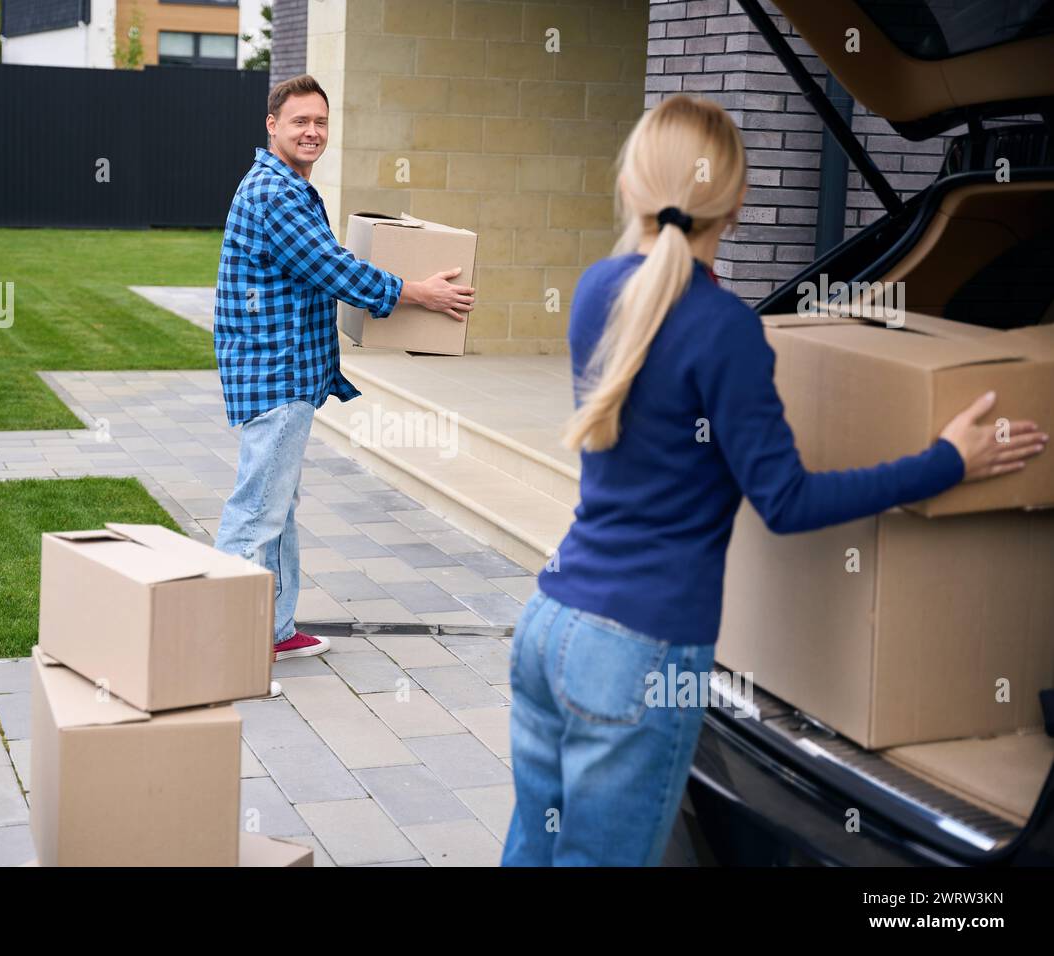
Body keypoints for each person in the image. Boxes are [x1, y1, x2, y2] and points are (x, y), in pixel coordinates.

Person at [500, 93, 1048, 866]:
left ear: (630, 185)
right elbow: (786, 503)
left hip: (550, 625)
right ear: (741, 201)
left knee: (534, 851)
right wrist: (946, 463)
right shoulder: (725, 330)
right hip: (638, 656)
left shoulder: (596, 290)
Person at [212, 74, 475, 699]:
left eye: (321, 122)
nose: (312, 132)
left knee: (278, 508)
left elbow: (320, 268)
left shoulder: (293, 188)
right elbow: (333, 269)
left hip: (287, 371)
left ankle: (272, 629)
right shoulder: (276, 193)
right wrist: (422, 294)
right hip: (273, 374)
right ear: (271, 125)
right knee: (256, 514)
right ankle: (225, 651)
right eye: (300, 121)